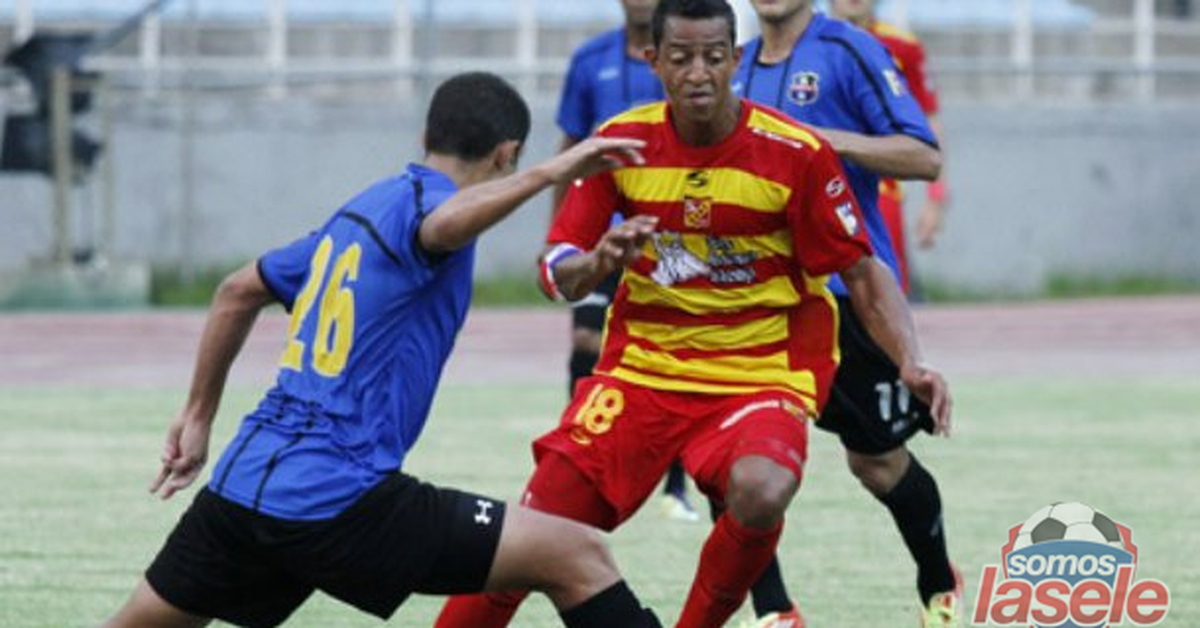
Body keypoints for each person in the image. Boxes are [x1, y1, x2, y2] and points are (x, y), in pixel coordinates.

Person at [436, 3, 951, 628]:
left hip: (759, 377)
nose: (699, 73)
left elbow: (863, 272)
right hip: (641, 376)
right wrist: (597, 262)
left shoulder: (798, 152)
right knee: (535, 533)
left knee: (767, 486)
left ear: (737, 59)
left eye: (714, 56)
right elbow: (556, 270)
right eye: (681, 58)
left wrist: (911, 360)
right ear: (654, 62)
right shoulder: (620, 147)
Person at [98, 72, 664, 628]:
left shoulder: (358, 213)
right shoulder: (430, 212)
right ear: (506, 154)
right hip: (337, 495)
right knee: (575, 554)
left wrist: (197, 417)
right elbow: (442, 227)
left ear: (425, 136)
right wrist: (554, 171)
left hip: (242, 483)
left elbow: (235, 292)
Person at [731, 1, 961, 627]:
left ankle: (939, 584)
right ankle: (774, 611)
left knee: (877, 463)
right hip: (753, 300)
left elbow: (924, 155)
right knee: (738, 456)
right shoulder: (734, 65)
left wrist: (825, 142)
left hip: (843, 296)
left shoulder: (849, 50)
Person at [553, 0, 698, 522]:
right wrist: (562, 240)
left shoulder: (690, 58)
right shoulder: (591, 60)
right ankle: (581, 452)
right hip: (605, 244)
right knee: (585, 341)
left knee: (676, 352)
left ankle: (675, 487)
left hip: (672, 247)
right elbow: (572, 149)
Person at [831, 0, 949, 295]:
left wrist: (936, 199)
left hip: (882, 193)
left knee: (885, 302)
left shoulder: (903, 47)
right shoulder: (798, 45)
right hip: (818, 190)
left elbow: (930, 124)